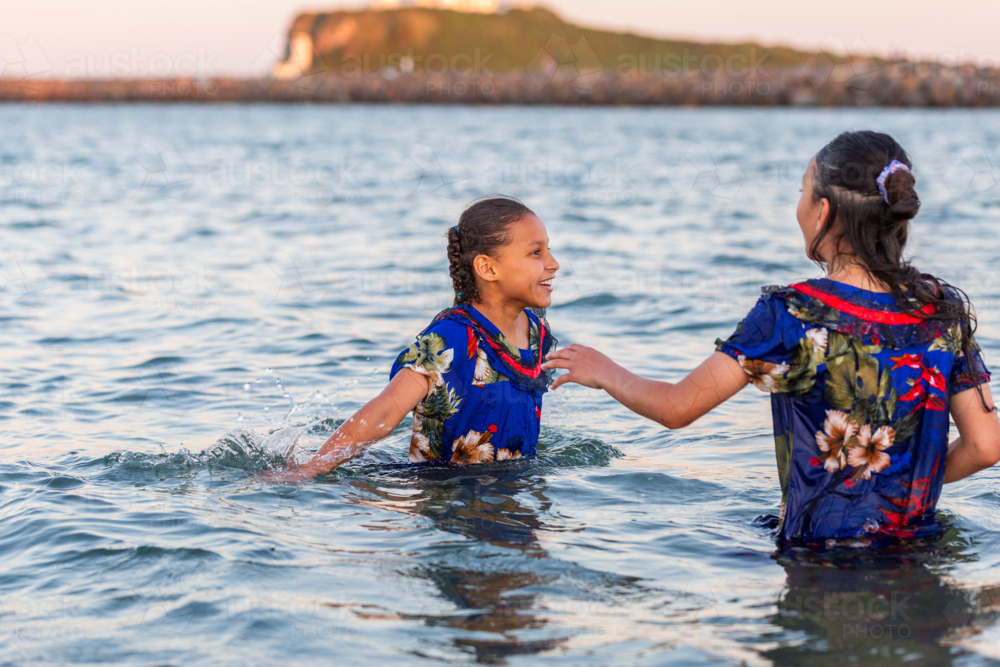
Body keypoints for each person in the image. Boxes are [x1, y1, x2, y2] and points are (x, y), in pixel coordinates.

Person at [543, 131, 1000, 544]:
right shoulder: (942, 310)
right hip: (917, 549)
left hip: (822, 557)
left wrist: (603, 371)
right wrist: (897, 484)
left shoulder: (791, 313)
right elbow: (984, 446)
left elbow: (676, 408)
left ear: (823, 211)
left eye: (802, 193)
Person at [257, 196, 560, 482]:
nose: (553, 263)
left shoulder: (536, 331)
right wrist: (311, 469)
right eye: (536, 252)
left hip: (514, 487)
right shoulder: (451, 339)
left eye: (548, 249)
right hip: (441, 490)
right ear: (488, 268)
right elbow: (385, 410)